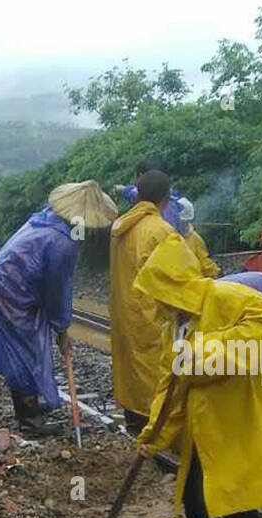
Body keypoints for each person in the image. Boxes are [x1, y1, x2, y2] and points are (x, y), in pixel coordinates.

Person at [134, 234, 262, 518]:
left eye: (161, 290)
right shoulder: (175, 325)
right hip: (205, 420)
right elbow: (171, 385)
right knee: (197, 495)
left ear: (177, 283)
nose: (157, 301)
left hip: (241, 412)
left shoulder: (233, 297)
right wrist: (154, 436)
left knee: (228, 489)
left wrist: (199, 351)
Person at [0, 181, 118, 436]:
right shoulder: (63, 242)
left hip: (4, 285)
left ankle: (30, 406)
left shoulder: (47, 219)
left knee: (26, 348)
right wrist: (62, 329)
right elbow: (57, 291)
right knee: (24, 350)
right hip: (11, 293)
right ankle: (28, 419)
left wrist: (59, 326)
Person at [110, 168, 177, 433]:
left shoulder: (121, 226)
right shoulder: (162, 230)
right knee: (154, 375)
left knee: (130, 372)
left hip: (124, 312)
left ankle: (134, 424)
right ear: (166, 198)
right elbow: (177, 280)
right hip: (152, 316)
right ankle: (158, 433)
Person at [115, 158, 186, 232]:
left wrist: (120, 189)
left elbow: (130, 191)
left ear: (140, 176)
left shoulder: (139, 195)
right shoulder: (175, 198)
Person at [175, 198, 220, 278]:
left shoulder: (195, 239)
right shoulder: (165, 234)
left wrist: (215, 273)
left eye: (184, 222)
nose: (182, 225)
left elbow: (205, 264)